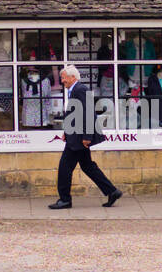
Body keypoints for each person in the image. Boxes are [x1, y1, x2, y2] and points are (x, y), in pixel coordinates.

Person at [49, 64, 122, 210]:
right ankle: (112, 191)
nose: (62, 81)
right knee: (88, 166)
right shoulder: (75, 90)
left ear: (72, 77)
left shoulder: (80, 90)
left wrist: (87, 136)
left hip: (79, 137)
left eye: (63, 78)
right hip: (75, 135)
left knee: (64, 167)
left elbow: (89, 113)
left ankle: (65, 200)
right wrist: (66, 132)